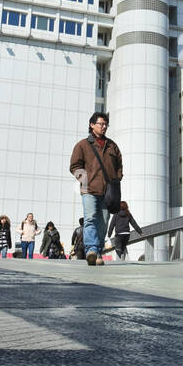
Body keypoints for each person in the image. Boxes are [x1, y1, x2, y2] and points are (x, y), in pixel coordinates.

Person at [69, 112, 123, 266]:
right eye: (101, 124)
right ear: (92, 125)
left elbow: (119, 165)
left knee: (104, 222)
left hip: (108, 192)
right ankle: (91, 249)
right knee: (90, 218)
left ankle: (98, 252)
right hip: (89, 190)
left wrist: (116, 179)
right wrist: (85, 181)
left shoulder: (112, 145)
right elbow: (74, 166)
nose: (104, 127)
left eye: (106, 124)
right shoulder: (83, 145)